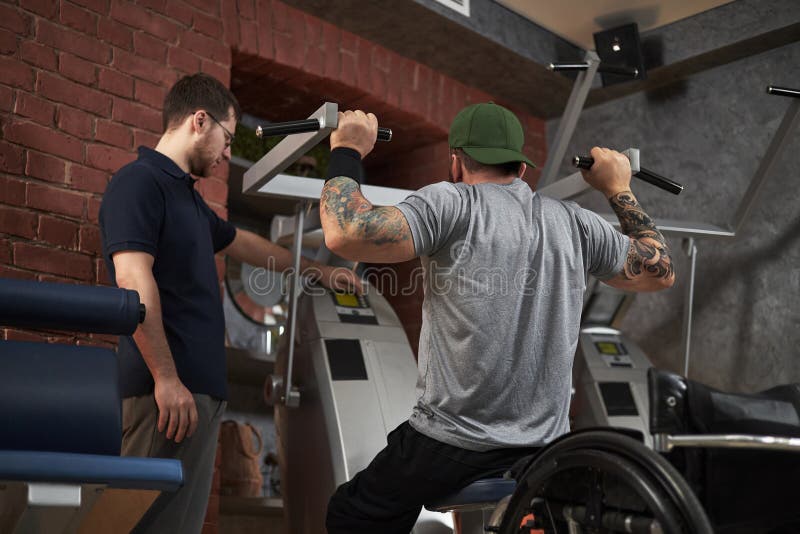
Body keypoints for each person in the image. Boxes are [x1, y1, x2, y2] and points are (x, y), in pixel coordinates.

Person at [318, 103, 675, 533]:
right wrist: (618, 187)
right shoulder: (576, 223)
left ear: (456, 162)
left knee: (350, 514)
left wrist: (347, 149)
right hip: (545, 450)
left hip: (451, 443)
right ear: (521, 169)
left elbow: (345, 231)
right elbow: (660, 271)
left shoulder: (451, 202)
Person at [99, 73, 362, 534]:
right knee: (135, 526)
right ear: (199, 121)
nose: (226, 153)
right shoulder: (139, 182)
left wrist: (317, 271)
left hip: (196, 397)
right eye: (227, 137)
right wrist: (166, 378)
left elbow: (241, 242)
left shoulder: (187, 199)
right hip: (165, 398)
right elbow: (132, 282)